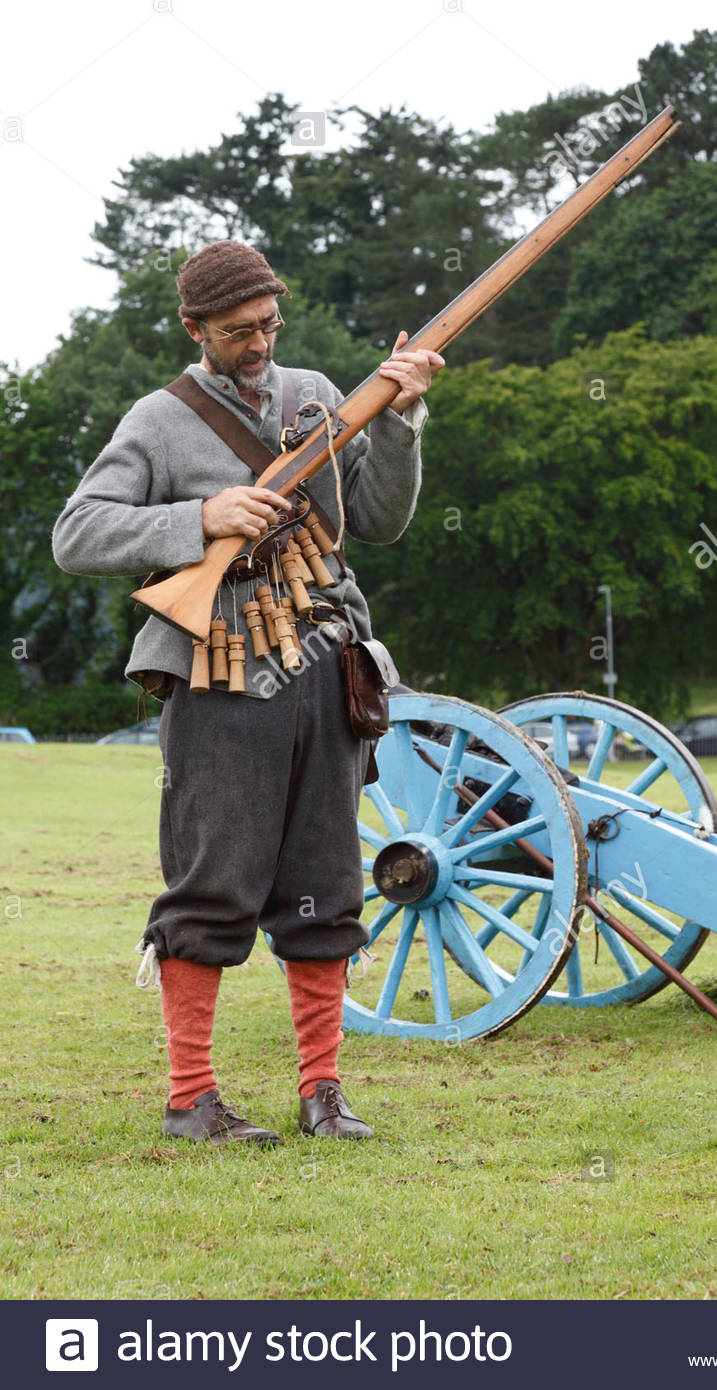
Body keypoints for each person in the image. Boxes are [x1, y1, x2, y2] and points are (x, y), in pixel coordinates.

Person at [53, 240, 444, 1146]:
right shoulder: (158, 420)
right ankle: (192, 1099)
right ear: (195, 330)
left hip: (326, 665)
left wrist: (398, 421)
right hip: (220, 674)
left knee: (325, 886)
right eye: (239, 332)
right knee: (214, 883)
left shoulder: (315, 394)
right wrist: (199, 518)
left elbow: (379, 523)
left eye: (270, 324)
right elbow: (78, 533)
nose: (261, 343)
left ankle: (323, 1092)